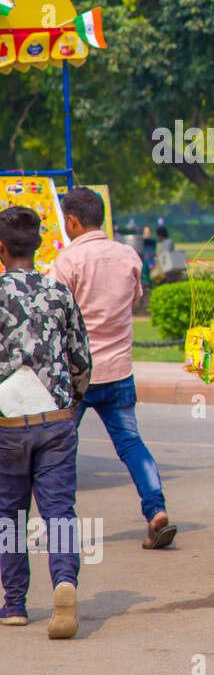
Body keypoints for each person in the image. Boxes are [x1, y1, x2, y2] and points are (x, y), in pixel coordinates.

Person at [52, 188, 177, 550]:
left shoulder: (67, 261)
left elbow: (58, 314)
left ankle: (60, 527)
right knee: (130, 443)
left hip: (76, 376)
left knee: (60, 449)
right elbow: (134, 299)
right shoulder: (128, 255)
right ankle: (156, 510)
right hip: (119, 370)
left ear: (72, 222)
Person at [0, 206, 92, 638]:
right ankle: (65, 582)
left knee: (9, 516)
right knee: (59, 511)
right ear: (38, 246)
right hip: (55, 419)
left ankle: (15, 603)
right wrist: (71, 402)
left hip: (7, 424)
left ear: (0, 249)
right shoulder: (58, 293)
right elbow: (80, 359)